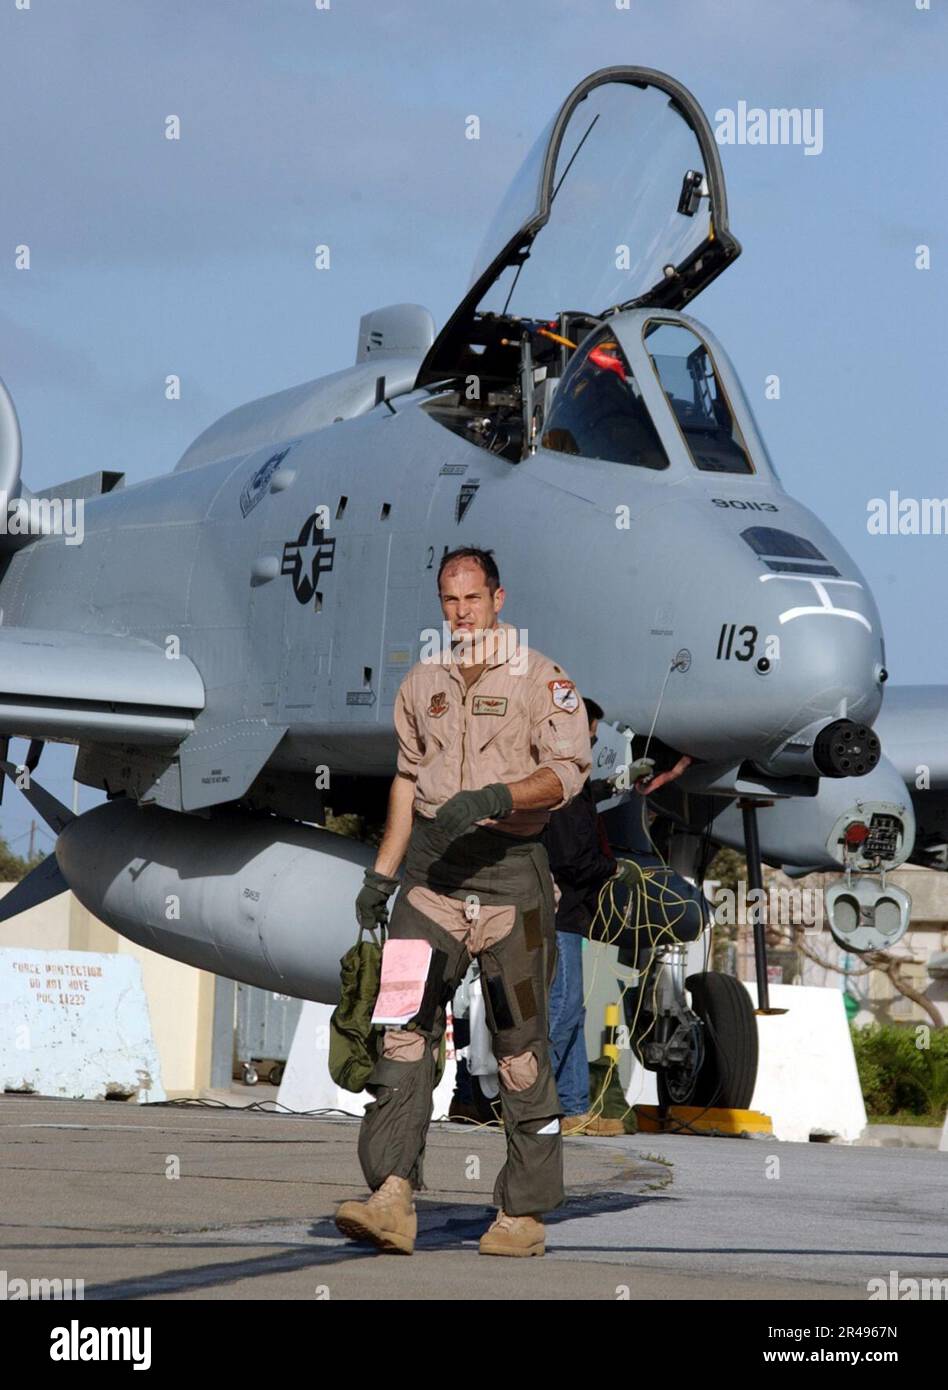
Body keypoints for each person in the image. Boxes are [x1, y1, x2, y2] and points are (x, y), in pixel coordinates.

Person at [334, 547, 591, 1258]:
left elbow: (568, 772)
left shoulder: (543, 680)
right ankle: (391, 1196)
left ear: (498, 599)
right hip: (431, 880)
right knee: (400, 1034)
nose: (460, 613)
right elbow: (407, 781)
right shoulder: (422, 683)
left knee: (521, 1057)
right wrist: (381, 876)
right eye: (449, 602)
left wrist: (498, 798)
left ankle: (524, 1214)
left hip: (511, 882)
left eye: (472, 599)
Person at [543, 696, 625, 1136]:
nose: (593, 743)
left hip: (571, 917)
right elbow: (572, 858)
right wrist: (612, 868)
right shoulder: (566, 792)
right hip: (559, 916)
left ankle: (573, 1108)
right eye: (591, 733)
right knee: (562, 1009)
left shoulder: (575, 789)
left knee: (573, 1009)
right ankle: (533, 1104)